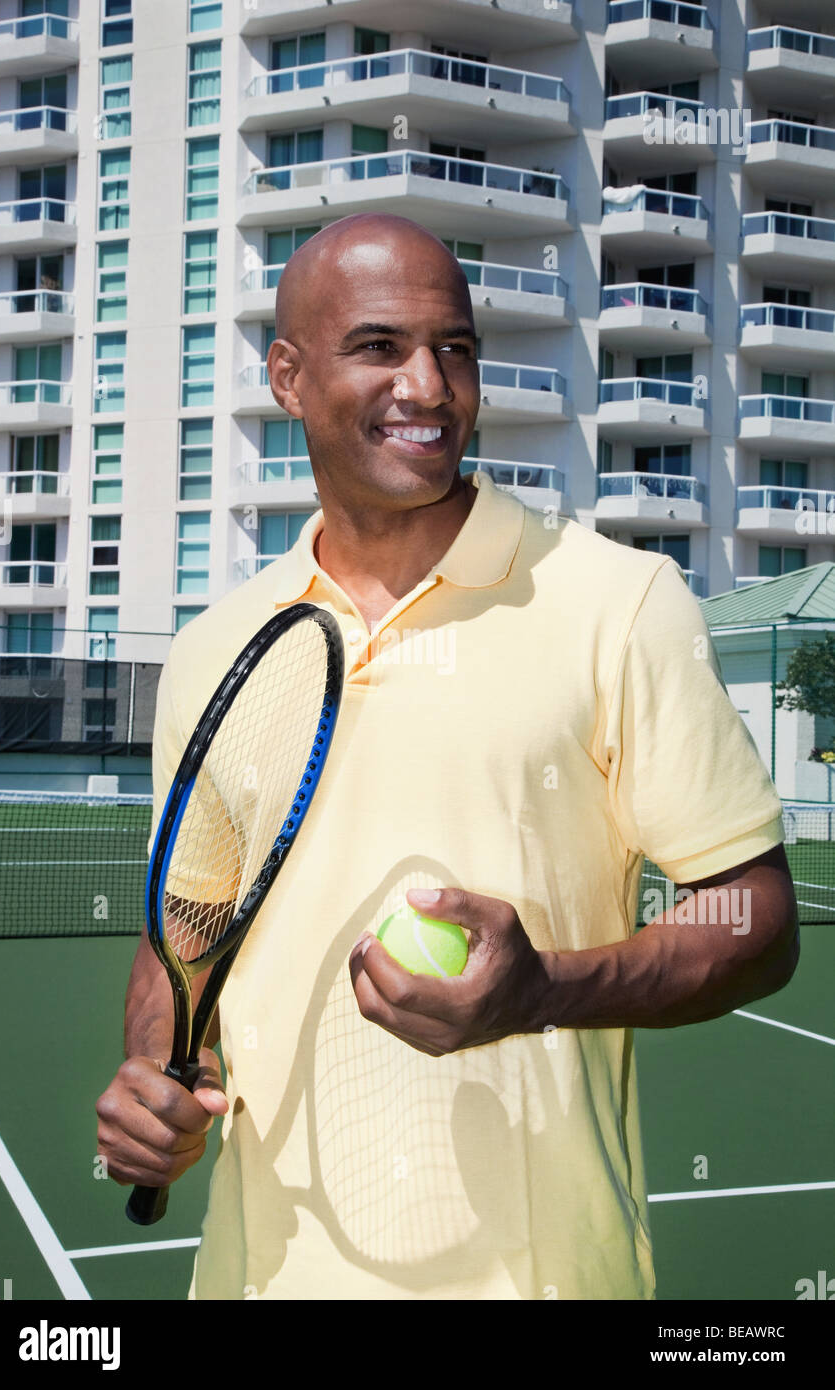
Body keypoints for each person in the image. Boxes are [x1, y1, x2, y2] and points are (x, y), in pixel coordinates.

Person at [96, 213, 799, 1300]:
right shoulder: (210, 652)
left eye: (453, 348)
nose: (426, 385)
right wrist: (157, 1064)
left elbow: (750, 917)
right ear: (287, 377)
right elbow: (186, 923)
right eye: (379, 347)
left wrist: (543, 989)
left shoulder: (620, 604)